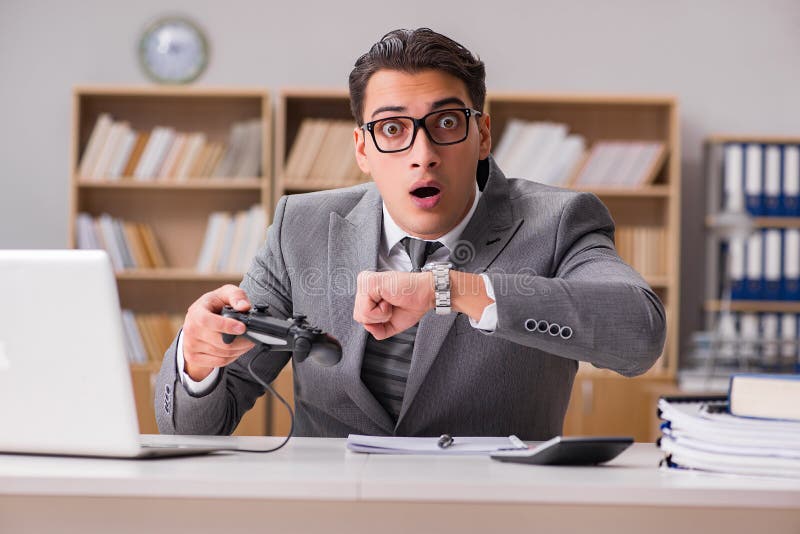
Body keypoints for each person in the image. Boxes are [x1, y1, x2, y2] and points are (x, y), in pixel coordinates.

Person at [155, 28, 666, 439]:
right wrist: (197, 364)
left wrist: (450, 289)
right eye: (393, 128)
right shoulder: (301, 229)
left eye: (445, 122)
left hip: (492, 514)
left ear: (482, 135)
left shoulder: (557, 222)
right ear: (362, 148)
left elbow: (639, 333)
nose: (423, 153)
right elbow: (194, 426)